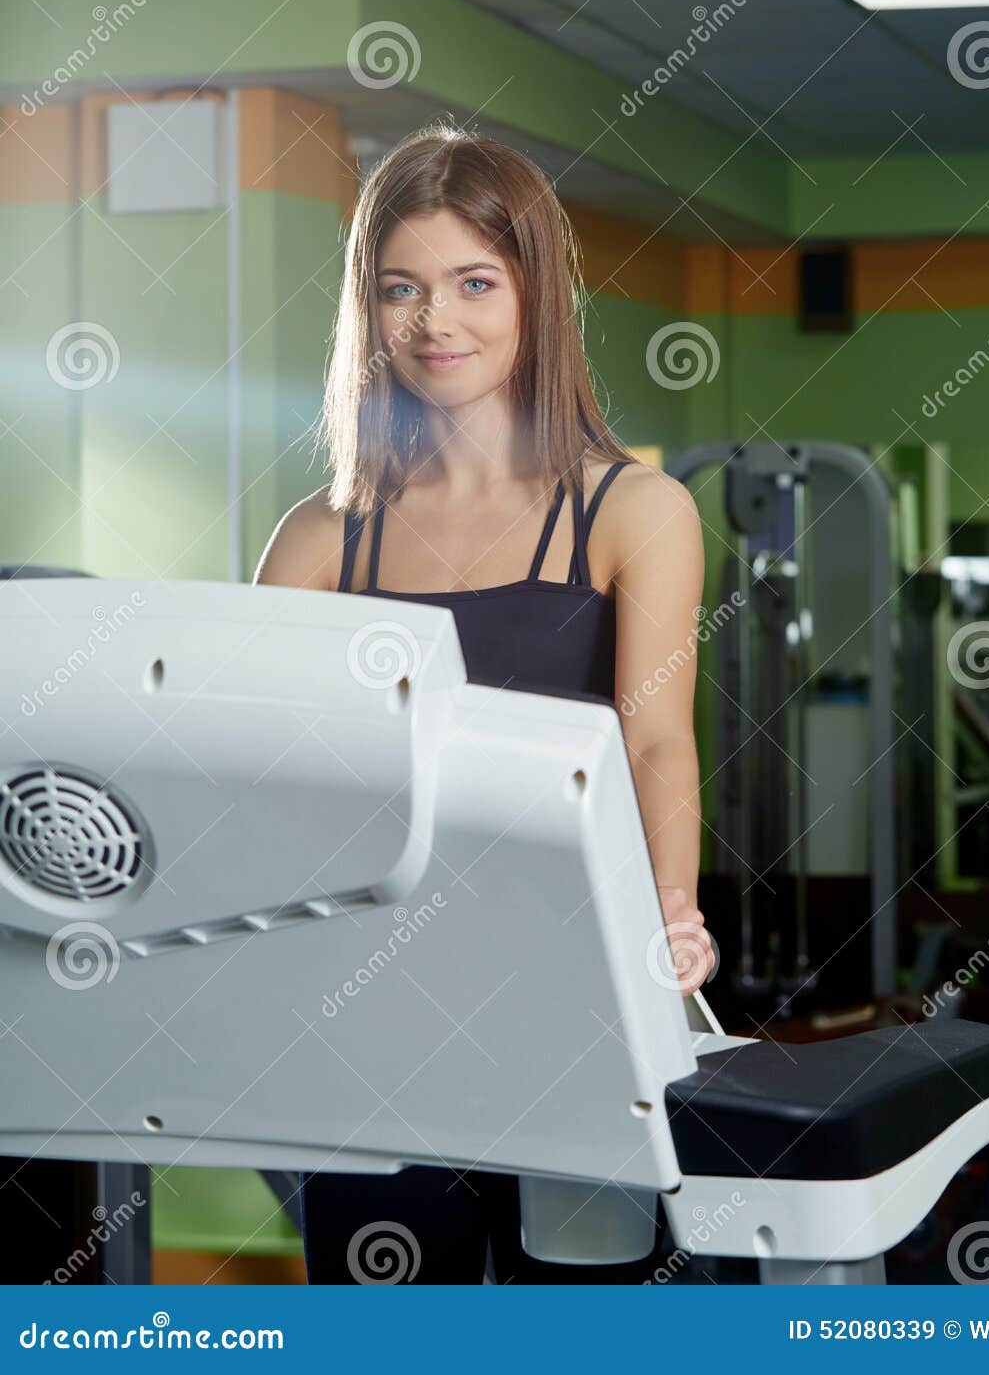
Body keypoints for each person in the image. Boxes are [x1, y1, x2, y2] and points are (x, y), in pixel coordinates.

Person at [254, 120, 715, 1283]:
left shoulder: (630, 514)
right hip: (373, 1000)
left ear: (533, 293)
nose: (433, 322)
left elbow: (654, 737)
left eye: (472, 282)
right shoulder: (317, 539)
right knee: (389, 1318)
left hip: (579, 990)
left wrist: (668, 913)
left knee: (587, 1313)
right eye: (400, 288)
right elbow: (264, 772)